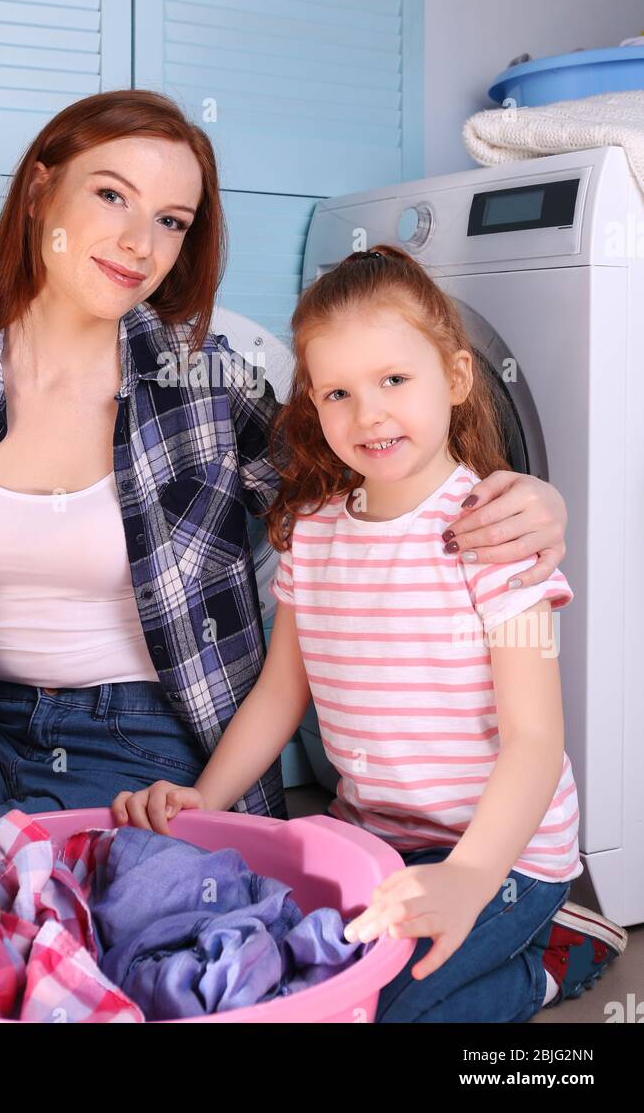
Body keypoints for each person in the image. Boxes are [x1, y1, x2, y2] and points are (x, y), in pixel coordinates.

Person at [0, 93, 568, 928]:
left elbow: (377, 470)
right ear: (41, 191)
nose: (137, 243)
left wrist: (530, 495)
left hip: (137, 752)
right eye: (111, 196)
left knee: (82, 941)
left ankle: (42, 875)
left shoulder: (211, 387)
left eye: (172, 220)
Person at [110, 244, 627, 1022]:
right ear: (313, 405)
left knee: (378, 1012)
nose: (369, 413)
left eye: (394, 380)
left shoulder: (492, 536)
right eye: (339, 392)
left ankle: (555, 956)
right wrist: (203, 803)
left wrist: (470, 876)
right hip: (371, 838)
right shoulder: (314, 533)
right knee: (290, 978)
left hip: (507, 855)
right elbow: (281, 692)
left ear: (454, 378)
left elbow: (533, 740)